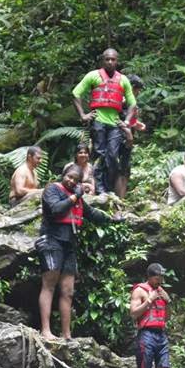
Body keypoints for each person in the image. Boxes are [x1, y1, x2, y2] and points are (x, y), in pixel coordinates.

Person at [35, 163, 118, 340]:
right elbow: (56, 209)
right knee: (49, 285)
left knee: (68, 290)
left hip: (69, 245)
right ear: (63, 175)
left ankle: (66, 334)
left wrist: (112, 219)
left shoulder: (77, 198)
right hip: (52, 241)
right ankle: (46, 331)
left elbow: (92, 214)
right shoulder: (52, 190)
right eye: (69, 177)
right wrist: (74, 197)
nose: (71, 181)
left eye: (76, 180)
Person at [72, 48, 137, 195]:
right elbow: (76, 93)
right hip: (98, 121)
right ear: (103, 60)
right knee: (99, 155)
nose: (110, 62)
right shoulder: (93, 76)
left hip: (115, 123)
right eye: (107, 59)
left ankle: (108, 187)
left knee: (112, 156)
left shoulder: (123, 79)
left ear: (117, 61)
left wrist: (126, 121)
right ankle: (100, 189)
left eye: (113, 59)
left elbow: (132, 103)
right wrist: (82, 114)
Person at [129, 262, 176, 368]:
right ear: (150, 277)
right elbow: (134, 313)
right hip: (146, 334)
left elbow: (167, 317)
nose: (160, 281)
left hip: (161, 334)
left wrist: (168, 301)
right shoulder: (140, 291)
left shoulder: (161, 291)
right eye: (157, 278)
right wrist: (149, 300)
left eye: (161, 277)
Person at [114, 74, 146, 199]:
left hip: (128, 138)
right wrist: (127, 132)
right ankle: (117, 198)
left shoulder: (130, 101)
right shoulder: (119, 100)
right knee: (118, 168)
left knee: (125, 168)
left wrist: (136, 125)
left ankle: (121, 199)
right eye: (137, 89)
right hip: (118, 138)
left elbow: (129, 120)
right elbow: (116, 119)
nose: (138, 93)